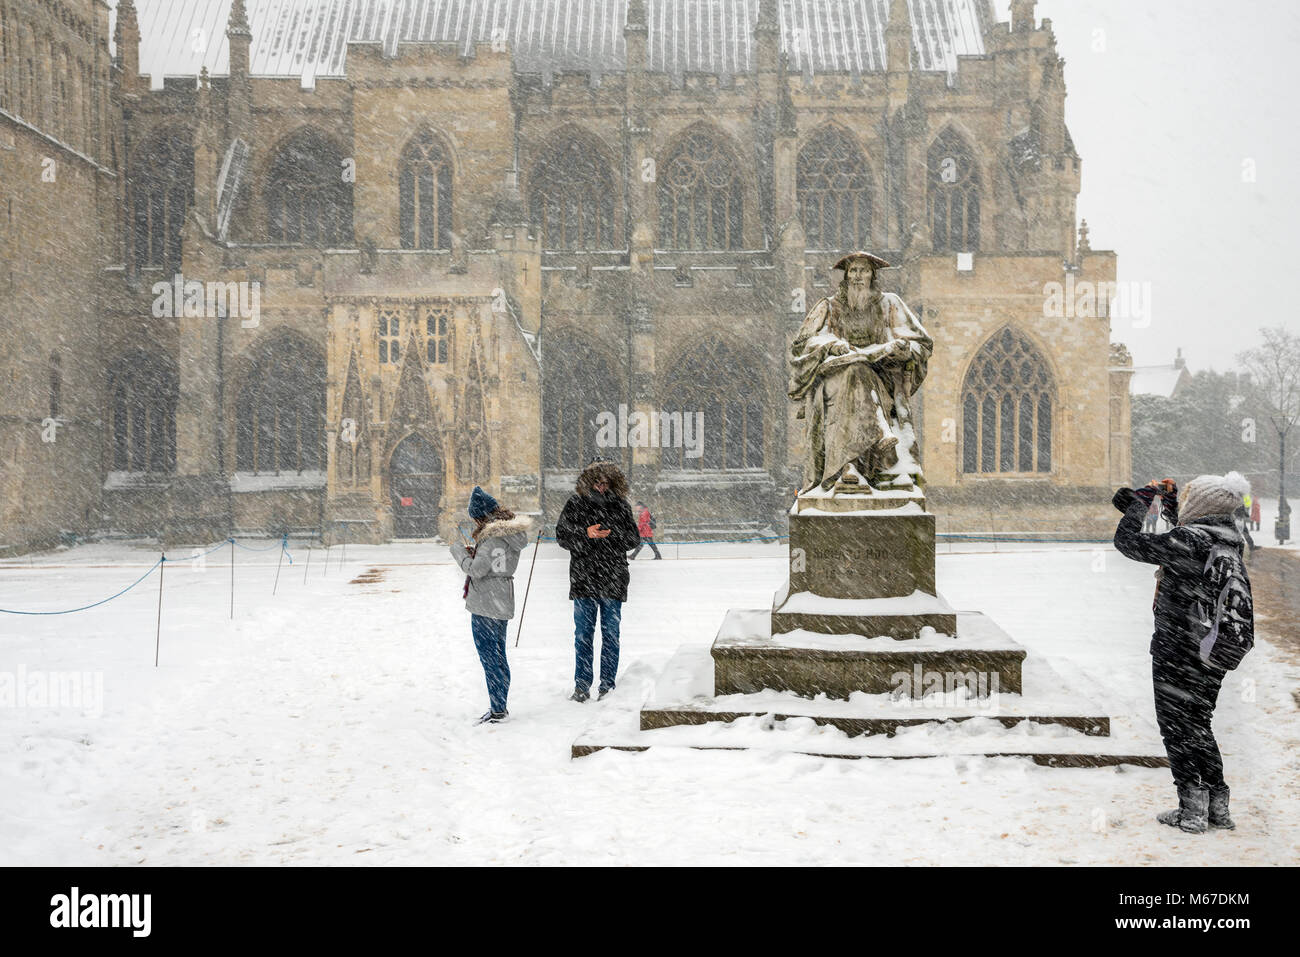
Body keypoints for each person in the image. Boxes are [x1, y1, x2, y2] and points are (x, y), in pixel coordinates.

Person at [1113, 472, 1251, 834]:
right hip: (1212, 650)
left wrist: (1140, 502)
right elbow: (1188, 534)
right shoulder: (1229, 539)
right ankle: (1218, 806)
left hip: (1178, 648)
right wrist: (1171, 504)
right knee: (1199, 724)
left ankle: (1191, 810)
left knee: (1176, 728)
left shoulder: (1188, 540)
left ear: (1201, 504)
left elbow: (1126, 541)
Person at [555, 460, 640, 701]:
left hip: (612, 578)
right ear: (589, 482)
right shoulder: (575, 504)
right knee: (583, 635)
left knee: (611, 635)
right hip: (584, 579)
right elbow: (561, 535)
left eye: (605, 483)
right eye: (597, 483)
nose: (601, 487)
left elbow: (633, 539)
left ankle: (607, 686)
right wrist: (586, 533)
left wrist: (612, 534)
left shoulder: (620, 506)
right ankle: (582, 686)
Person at [449, 486, 531, 724]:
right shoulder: (508, 535)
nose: (475, 522)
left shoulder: (493, 535)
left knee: (489, 657)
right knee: (498, 654)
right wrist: (477, 552)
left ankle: (497, 709)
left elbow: (477, 570)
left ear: (482, 515)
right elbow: (495, 559)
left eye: (476, 517)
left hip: (486, 600)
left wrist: (458, 552)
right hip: (502, 597)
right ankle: (500, 704)